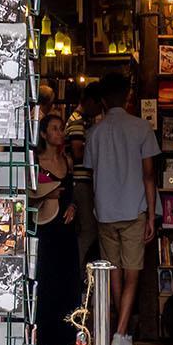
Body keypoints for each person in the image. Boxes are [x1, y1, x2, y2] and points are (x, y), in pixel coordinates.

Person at [83, 74, 158, 345]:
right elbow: (149, 175)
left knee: (113, 271)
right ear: (128, 96)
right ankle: (121, 334)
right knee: (132, 273)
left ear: (102, 99)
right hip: (133, 208)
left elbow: (90, 173)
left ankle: (121, 332)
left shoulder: (95, 133)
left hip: (105, 211)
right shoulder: (141, 128)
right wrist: (152, 215)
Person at [33, 112, 81, 345]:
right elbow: (29, 194)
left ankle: (68, 336)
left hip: (65, 225)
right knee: (45, 279)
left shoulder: (67, 161)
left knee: (68, 279)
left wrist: (72, 206)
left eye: (61, 128)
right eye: (54, 128)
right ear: (43, 134)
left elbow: (72, 192)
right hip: (45, 225)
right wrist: (46, 197)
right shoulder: (35, 161)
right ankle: (45, 338)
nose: (60, 133)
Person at [66, 81, 104, 269]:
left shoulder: (79, 121)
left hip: (83, 181)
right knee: (89, 229)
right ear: (90, 101)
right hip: (80, 181)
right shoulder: (76, 121)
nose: (98, 110)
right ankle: (78, 269)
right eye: (98, 105)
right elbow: (78, 152)